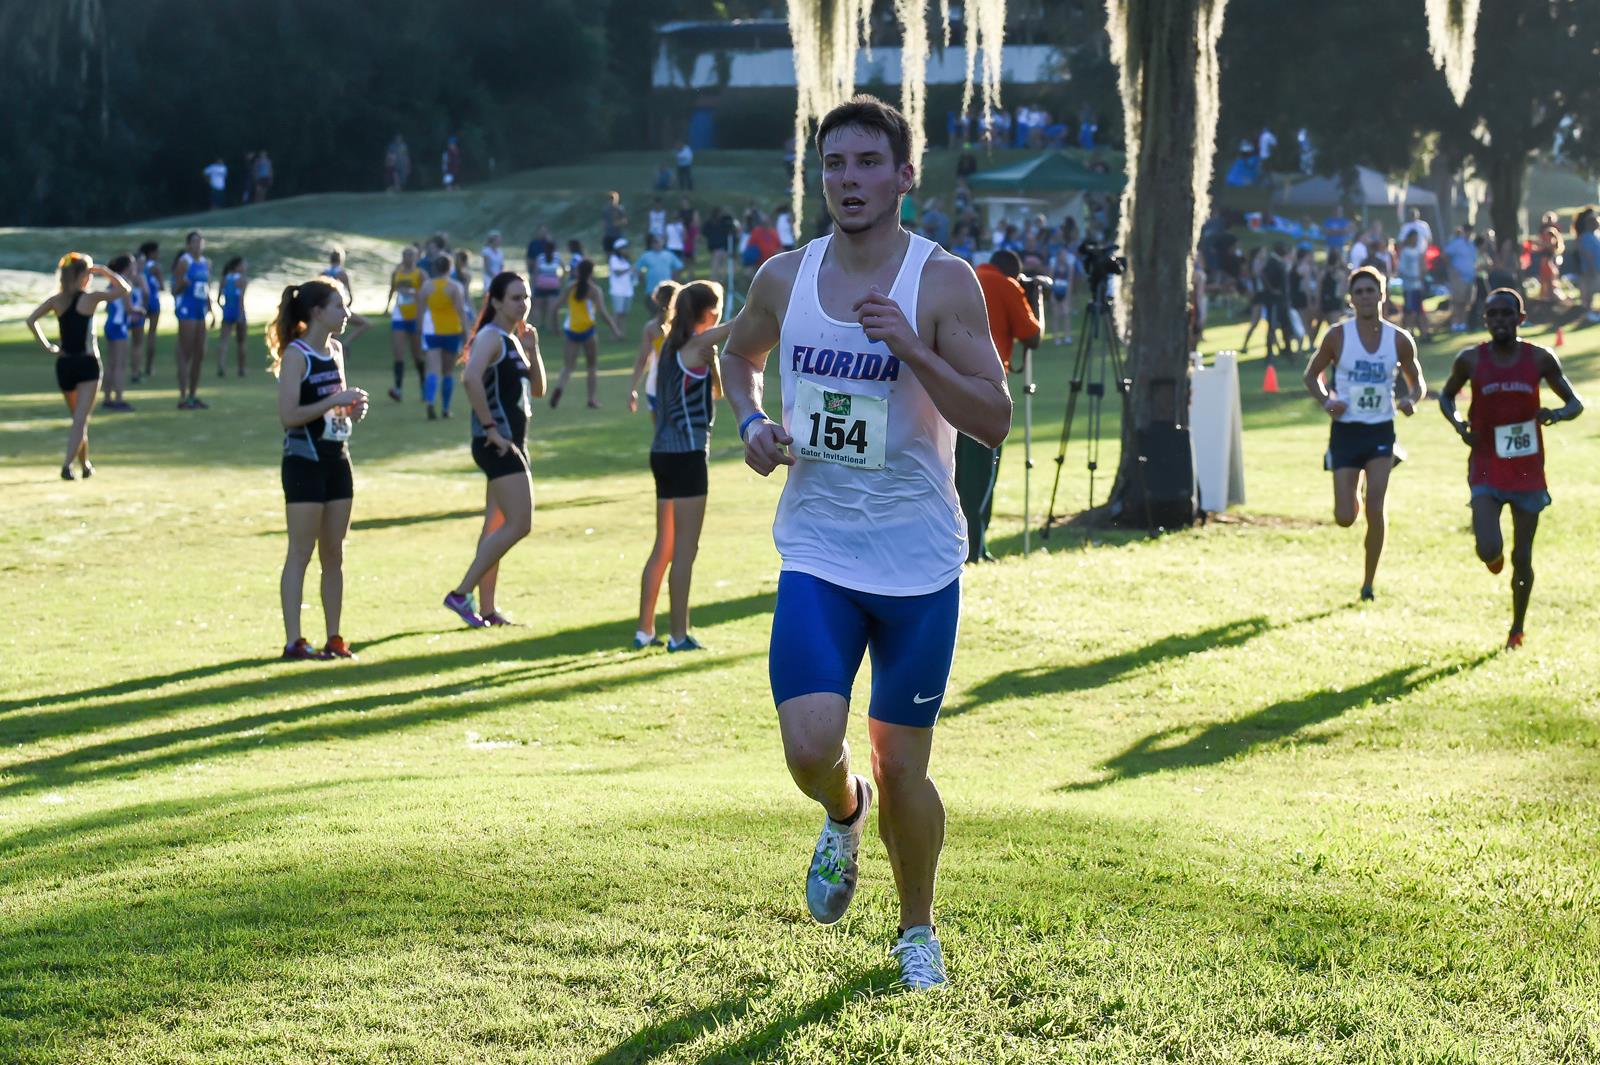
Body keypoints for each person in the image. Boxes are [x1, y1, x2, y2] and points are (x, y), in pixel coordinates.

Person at [717, 95, 1011, 990]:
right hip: (819, 551)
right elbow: (738, 353)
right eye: (834, 165)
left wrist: (911, 348)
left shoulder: (941, 280)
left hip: (919, 563)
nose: (849, 181)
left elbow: (992, 418)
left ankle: (916, 929)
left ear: (903, 176)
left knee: (904, 763)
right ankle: (844, 813)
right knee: (812, 745)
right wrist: (752, 422)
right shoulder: (786, 276)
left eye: (867, 164)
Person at [1438, 288, 1583, 648]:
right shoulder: (1470, 360)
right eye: (1493, 315)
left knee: (1524, 556)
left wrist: (1556, 414)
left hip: (1526, 470)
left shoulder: (1539, 359)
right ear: (1484, 319)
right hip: (1486, 464)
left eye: (1507, 314)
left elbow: (1575, 402)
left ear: (1521, 318)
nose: (1500, 321)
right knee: (1488, 547)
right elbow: (1445, 395)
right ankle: (1493, 556)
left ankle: (1517, 627)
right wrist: (1459, 425)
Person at [1302, 266, 1424, 602]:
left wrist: (1410, 400)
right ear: (1351, 298)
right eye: (1359, 292)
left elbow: (1418, 383)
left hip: (1381, 430)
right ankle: (1351, 493)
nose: (1366, 297)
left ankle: (1368, 583)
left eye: (1371, 290)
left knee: (1376, 505)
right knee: (1344, 518)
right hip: (1345, 432)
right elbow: (1311, 376)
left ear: (1382, 294)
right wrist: (1328, 401)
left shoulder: (1399, 339)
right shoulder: (1337, 337)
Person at [269, 278, 369, 660]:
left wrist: (350, 410)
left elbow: (335, 410)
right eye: (339, 306)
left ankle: (334, 637)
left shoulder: (337, 350)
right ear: (317, 312)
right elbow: (289, 416)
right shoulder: (296, 355)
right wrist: (335, 400)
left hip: (337, 460)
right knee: (300, 552)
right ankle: (294, 641)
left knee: (334, 553)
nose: (346, 314)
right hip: (303, 463)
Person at [443, 272, 547, 628]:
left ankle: (486, 609)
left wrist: (532, 348)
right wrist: (490, 429)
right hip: (497, 443)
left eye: (527, 297)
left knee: (497, 525)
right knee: (520, 524)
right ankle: (461, 593)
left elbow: (538, 390)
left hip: (512, 442)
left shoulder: (511, 340)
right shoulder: (490, 336)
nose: (523, 304)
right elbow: (470, 378)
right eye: (516, 298)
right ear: (498, 301)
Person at [635, 281, 727, 651]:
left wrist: (715, 364)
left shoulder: (673, 343)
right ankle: (678, 635)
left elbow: (714, 391)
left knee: (665, 546)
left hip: (663, 453)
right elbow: (743, 322)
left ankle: (645, 631)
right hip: (688, 455)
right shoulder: (700, 344)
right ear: (707, 312)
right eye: (717, 309)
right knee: (686, 551)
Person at [961, 249, 1040, 562]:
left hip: (949, 386)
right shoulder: (1007, 285)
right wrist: (1034, 299)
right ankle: (976, 547)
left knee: (957, 471)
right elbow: (1032, 336)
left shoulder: (968, 276)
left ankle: (957, 544)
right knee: (981, 474)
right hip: (987, 390)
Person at [26, 254, 131, 478]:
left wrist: (48, 347)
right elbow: (124, 290)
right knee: (80, 420)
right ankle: (67, 465)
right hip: (87, 365)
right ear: (84, 276)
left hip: (64, 365)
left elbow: (31, 320)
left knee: (78, 419)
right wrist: (105, 272)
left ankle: (85, 465)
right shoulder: (90, 299)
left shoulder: (57, 300)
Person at [549, 258, 621, 409]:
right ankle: (591, 399)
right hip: (588, 331)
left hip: (571, 330)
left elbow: (554, 307)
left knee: (568, 367)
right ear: (591, 273)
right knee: (592, 367)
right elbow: (603, 313)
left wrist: (555, 327)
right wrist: (614, 329)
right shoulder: (594, 290)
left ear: (578, 271)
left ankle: (559, 389)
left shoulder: (570, 287)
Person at [418, 253, 472, 420]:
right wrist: (467, 334)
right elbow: (461, 312)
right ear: (450, 268)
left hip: (432, 331)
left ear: (434, 268)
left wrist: (420, 332)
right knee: (448, 372)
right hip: (451, 331)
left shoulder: (426, 286)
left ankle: (430, 402)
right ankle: (446, 408)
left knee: (432, 370)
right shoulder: (454, 286)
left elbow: (419, 312)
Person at [171, 230, 212, 410]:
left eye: (200, 241)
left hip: (200, 309)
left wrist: (211, 308)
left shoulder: (205, 263)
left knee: (200, 353)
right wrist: (183, 284)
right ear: (188, 245)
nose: (198, 245)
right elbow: (175, 289)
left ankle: (193, 395)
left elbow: (206, 287)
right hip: (186, 309)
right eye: (194, 242)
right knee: (186, 352)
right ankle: (182, 396)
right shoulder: (184, 262)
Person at [629, 280, 679, 423]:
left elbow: (642, 360)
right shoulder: (683, 326)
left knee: (660, 436)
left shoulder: (651, 327)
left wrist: (633, 389)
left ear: (656, 300)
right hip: (679, 386)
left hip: (655, 386)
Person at [384, 245, 426, 402]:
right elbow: (392, 289)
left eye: (410, 255)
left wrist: (414, 293)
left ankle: (423, 385)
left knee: (417, 355)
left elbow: (426, 293)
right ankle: (398, 389)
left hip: (415, 316)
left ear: (416, 257)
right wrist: (387, 307)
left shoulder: (420, 274)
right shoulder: (397, 273)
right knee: (398, 353)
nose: (407, 258)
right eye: (405, 255)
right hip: (399, 315)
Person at [98, 254, 137, 412]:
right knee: (120, 365)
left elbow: (108, 306)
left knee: (111, 364)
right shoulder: (124, 283)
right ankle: (119, 399)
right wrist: (139, 310)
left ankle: (107, 398)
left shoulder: (111, 283)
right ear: (127, 268)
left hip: (110, 324)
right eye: (133, 265)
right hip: (120, 326)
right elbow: (129, 308)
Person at [215, 256, 248, 377]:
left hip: (227, 312)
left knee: (223, 341)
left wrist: (224, 309)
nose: (245, 267)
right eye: (243, 265)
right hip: (239, 312)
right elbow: (241, 299)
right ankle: (242, 369)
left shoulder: (224, 278)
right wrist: (240, 314)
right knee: (241, 342)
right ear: (237, 266)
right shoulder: (242, 280)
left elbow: (219, 299)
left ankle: (221, 366)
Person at [1443, 226, 1479, 333]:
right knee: (1457, 301)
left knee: (1466, 302)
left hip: (1470, 278)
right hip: (1458, 277)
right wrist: (1453, 269)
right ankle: (1455, 324)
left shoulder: (1472, 245)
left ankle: (1463, 324)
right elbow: (1445, 255)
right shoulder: (1457, 243)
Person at [137, 241, 163, 382]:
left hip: (141, 301)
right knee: (152, 335)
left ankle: (137, 367)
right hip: (153, 301)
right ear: (152, 253)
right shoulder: (155, 267)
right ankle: (149, 366)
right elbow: (162, 286)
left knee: (138, 338)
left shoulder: (138, 266)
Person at [1398, 231, 1429, 341]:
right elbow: (1401, 269)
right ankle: (1409, 332)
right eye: (1414, 238)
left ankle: (1423, 333)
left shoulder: (1417, 251)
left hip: (1418, 285)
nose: (1416, 240)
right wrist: (1413, 276)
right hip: (1409, 286)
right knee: (1409, 311)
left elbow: (1422, 266)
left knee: (1419, 310)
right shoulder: (1405, 252)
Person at [608, 238, 636, 318]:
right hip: (617, 291)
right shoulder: (613, 259)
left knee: (624, 315)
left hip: (627, 290)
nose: (626, 250)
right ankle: (615, 329)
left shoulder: (626, 260)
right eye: (624, 248)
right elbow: (617, 272)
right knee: (617, 313)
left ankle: (621, 330)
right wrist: (629, 269)